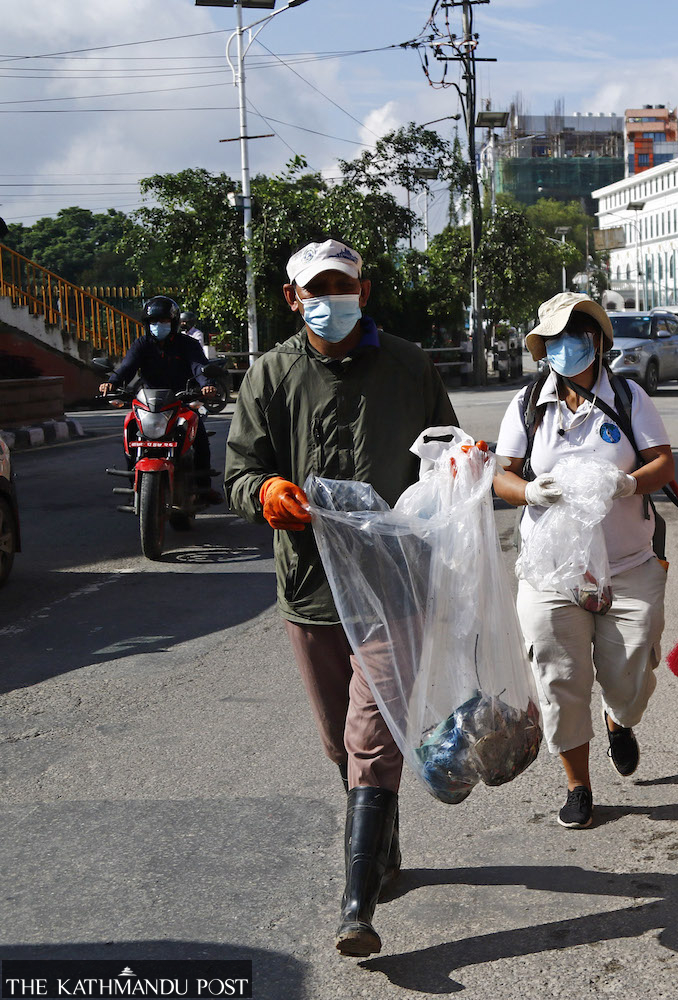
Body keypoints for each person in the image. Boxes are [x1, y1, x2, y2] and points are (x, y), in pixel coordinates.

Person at [223, 237, 458, 958]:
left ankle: (355, 904)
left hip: (393, 583)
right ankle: (380, 836)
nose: (331, 298)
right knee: (340, 742)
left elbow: (444, 447)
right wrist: (264, 492)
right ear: (293, 299)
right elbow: (240, 471)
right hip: (311, 588)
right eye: (315, 288)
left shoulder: (411, 366)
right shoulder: (270, 374)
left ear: (365, 289)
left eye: (342, 284)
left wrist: (462, 462)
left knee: (370, 735)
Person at [492, 293, 674, 831]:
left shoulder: (627, 395)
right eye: (552, 339)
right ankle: (578, 785)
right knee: (559, 675)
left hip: (628, 563)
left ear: (595, 339)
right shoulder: (528, 402)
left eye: (572, 335)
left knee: (631, 672)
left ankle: (619, 719)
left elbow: (662, 464)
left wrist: (626, 482)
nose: (562, 347)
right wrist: (530, 492)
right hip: (551, 572)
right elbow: (502, 475)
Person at [99, 295, 222, 503]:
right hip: (149, 404)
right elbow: (127, 367)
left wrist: (206, 384)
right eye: (154, 322)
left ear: (173, 323)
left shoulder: (188, 344)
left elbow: (198, 367)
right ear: (147, 324)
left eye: (164, 321)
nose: (159, 326)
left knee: (198, 432)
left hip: (181, 400)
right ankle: (135, 486)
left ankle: (204, 488)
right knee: (130, 427)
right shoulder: (142, 344)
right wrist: (112, 382)